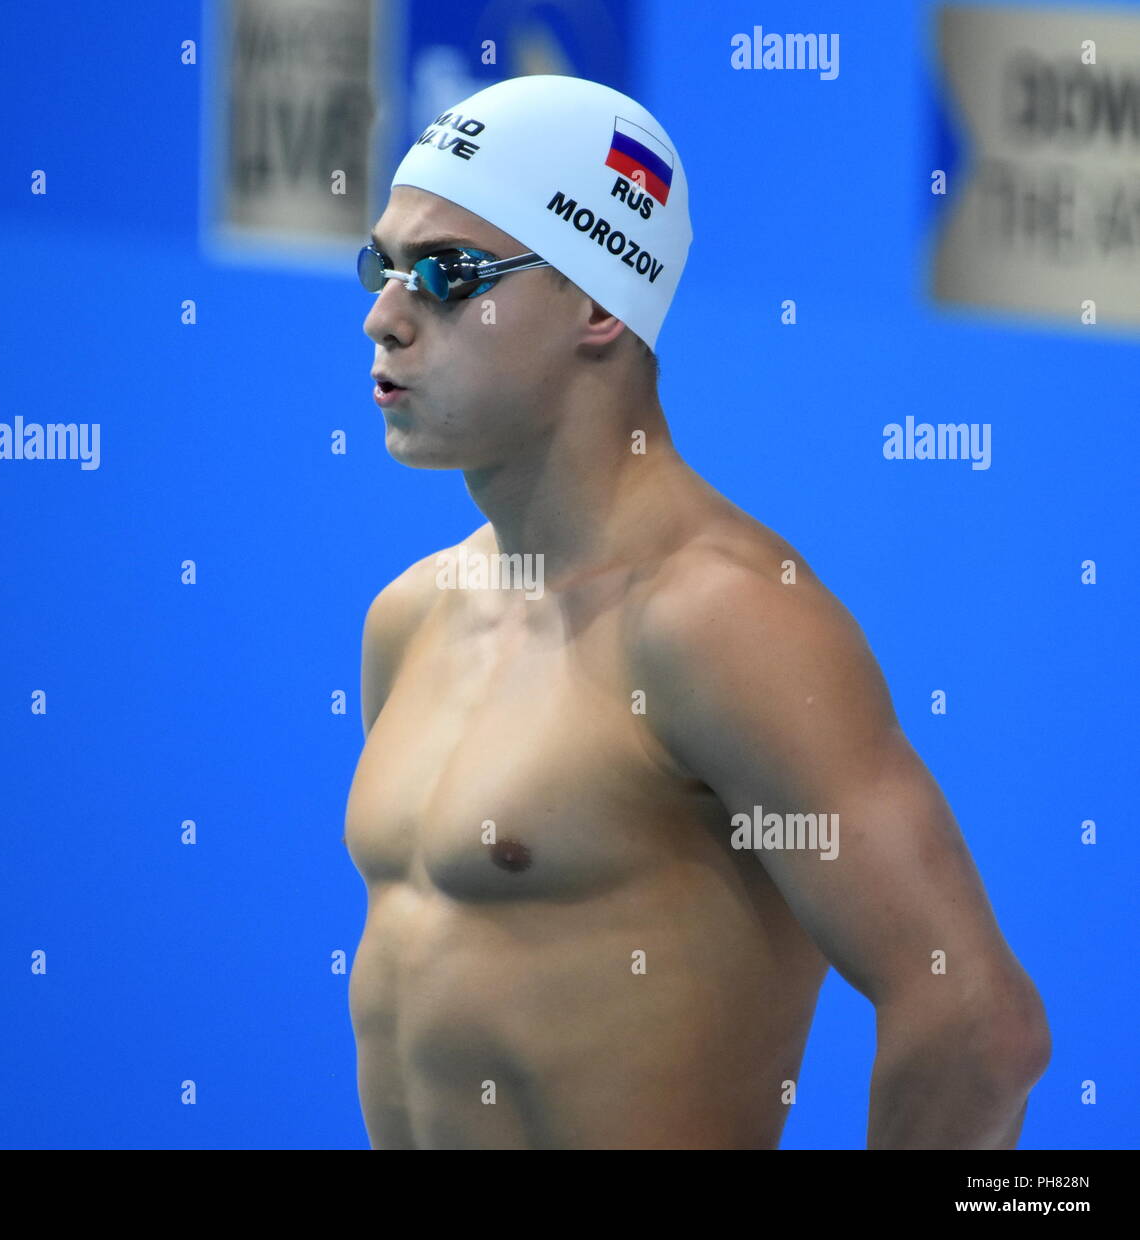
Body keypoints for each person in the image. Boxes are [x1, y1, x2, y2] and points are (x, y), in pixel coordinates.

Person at [345, 74, 1049, 1150]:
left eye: (446, 275)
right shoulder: (412, 617)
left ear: (597, 306)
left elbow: (977, 1019)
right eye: (383, 264)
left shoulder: (720, 619)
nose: (384, 316)